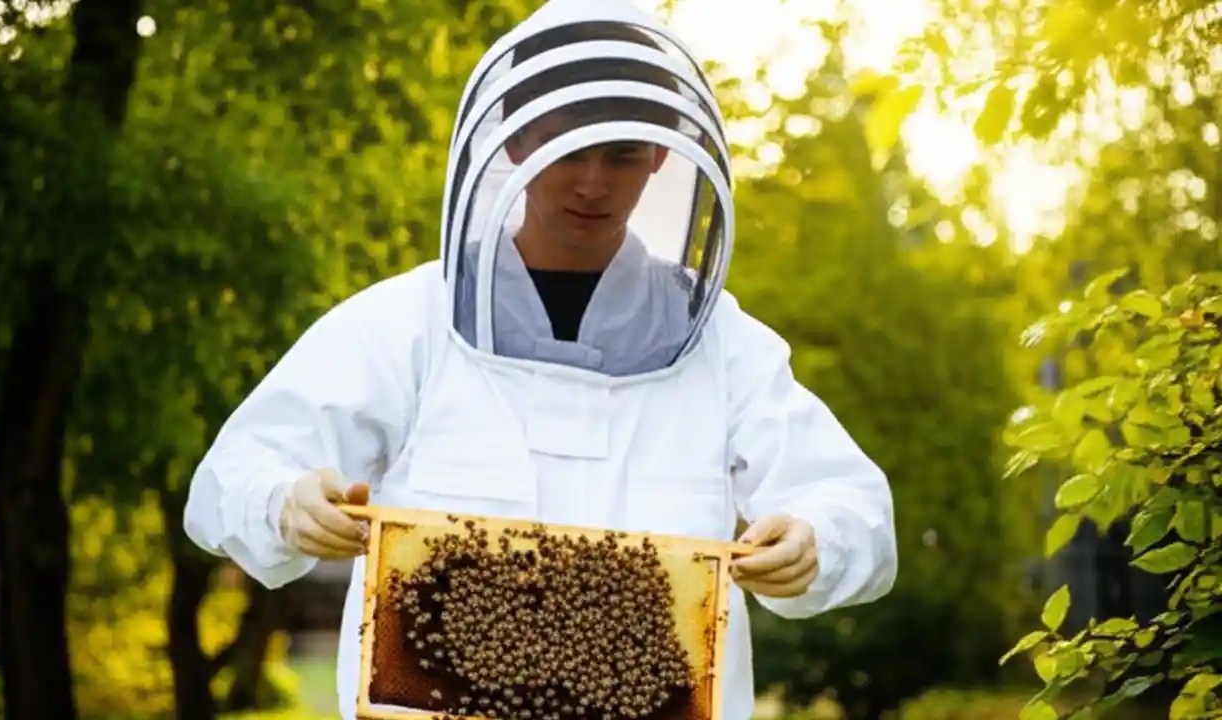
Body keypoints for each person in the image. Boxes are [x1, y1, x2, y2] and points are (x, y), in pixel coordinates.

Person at [182, 2, 897, 719]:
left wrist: (815, 543)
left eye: (620, 153)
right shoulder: (403, 324)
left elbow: (854, 509)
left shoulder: (724, 346)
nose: (593, 183)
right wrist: (286, 507)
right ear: (517, 141)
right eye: (567, 148)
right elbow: (230, 480)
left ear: (660, 155)